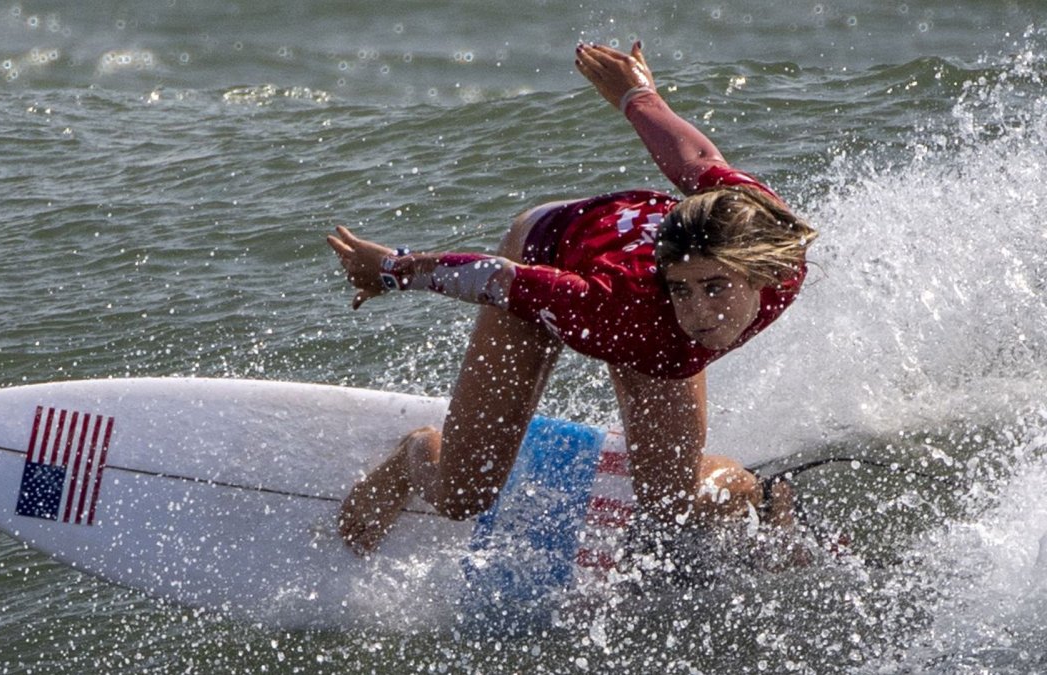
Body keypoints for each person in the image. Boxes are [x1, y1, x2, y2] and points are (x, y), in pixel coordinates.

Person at [327, 42, 818, 565]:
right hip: (548, 247)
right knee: (464, 494)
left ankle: (765, 499)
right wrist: (390, 269)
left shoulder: (767, 234)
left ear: (760, 272)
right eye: (682, 290)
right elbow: (497, 279)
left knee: (671, 505)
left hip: (640, 272)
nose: (697, 313)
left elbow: (697, 161)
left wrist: (639, 95)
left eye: (715, 289)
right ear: (665, 280)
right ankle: (411, 457)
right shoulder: (617, 308)